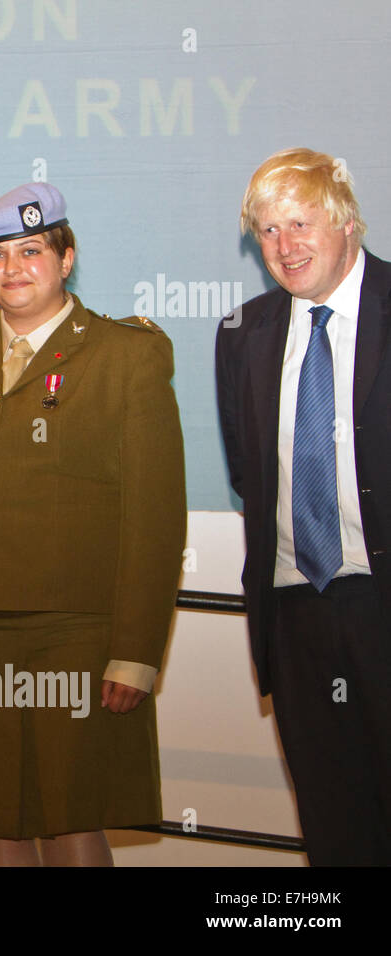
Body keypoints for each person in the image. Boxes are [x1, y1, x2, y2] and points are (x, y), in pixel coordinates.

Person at [0, 182, 185, 866]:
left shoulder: (125, 355)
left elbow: (153, 518)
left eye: (31, 250)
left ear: (67, 258)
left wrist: (135, 650)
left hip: (74, 633)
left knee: (73, 820)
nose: (12, 268)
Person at [215, 147, 391, 865]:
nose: (283, 247)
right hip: (296, 614)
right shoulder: (242, 334)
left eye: (298, 223)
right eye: (266, 230)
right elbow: (246, 474)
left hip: (381, 603)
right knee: (334, 825)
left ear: (346, 222)